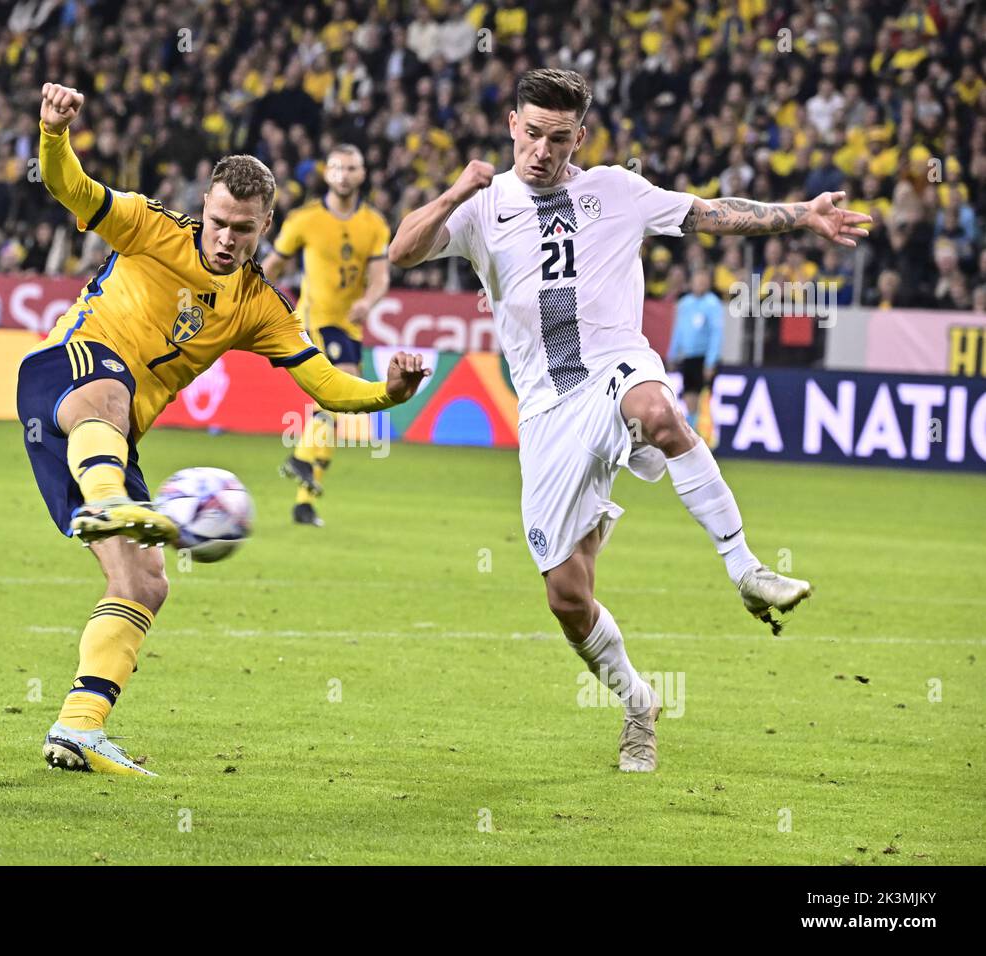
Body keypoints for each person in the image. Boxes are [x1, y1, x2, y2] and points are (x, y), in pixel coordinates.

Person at [389, 68, 870, 773]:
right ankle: (638, 701)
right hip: (548, 410)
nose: (542, 151)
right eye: (530, 134)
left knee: (657, 411)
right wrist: (459, 189)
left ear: (579, 137)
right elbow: (401, 251)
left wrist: (801, 213)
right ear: (511, 129)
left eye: (559, 138)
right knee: (566, 596)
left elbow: (707, 212)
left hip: (615, 366)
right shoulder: (484, 205)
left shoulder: (615, 190)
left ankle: (745, 569)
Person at [22, 83, 430, 776]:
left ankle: (79, 727)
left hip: (108, 444)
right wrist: (54, 132)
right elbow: (73, 188)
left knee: (146, 581)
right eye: (217, 221)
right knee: (110, 389)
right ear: (202, 209)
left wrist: (387, 394)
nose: (224, 238)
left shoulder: (259, 308)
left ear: (265, 228)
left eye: (242, 229)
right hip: (64, 374)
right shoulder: (151, 227)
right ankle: (109, 497)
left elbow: (323, 383)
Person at [262, 144, 391, 527]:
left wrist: (368, 301)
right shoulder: (304, 219)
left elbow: (381, 277)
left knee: (336, 407)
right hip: (315, 318)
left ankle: (304, 499)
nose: (344, 174)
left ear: (362, 174)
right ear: (327, 173)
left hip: (349, 324)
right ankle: (301, 458)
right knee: (342, 392)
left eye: (352, 167)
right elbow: (274, 263)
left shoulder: (375, 225)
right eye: (337, 167)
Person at [667, 266, 724, 433]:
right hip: (688, 357)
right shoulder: (685, 303)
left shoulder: (712, 303)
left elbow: (716, 334)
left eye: (703, 281)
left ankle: (704, 435)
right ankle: (693, 434)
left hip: (704, 357)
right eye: (697, 280)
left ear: (708, 283)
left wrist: (711, 362)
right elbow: (678, 329)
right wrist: (672, 353)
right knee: (689, 397)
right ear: (691, 282)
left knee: (704, 399)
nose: (700, 284)